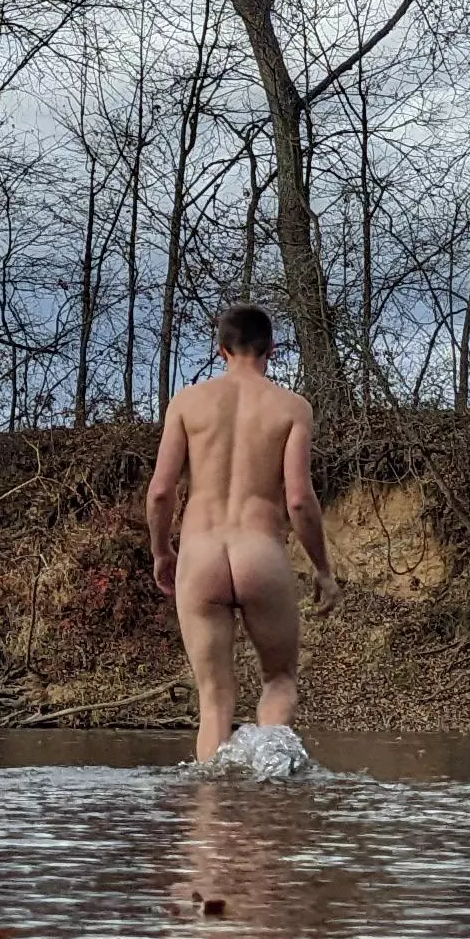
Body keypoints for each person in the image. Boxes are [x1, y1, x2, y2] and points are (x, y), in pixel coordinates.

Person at [145, 301, 333, 762]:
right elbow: (298, 499)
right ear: (272, 348)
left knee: (213, 702)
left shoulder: (186, 403)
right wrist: (323, 569)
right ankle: (269, 786)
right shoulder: (292, 407)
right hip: (259, 553)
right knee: (279, 681)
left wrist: (162, 551)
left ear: (220, 350)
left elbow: (161, 492)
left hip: (201, 555)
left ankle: (213, 798)